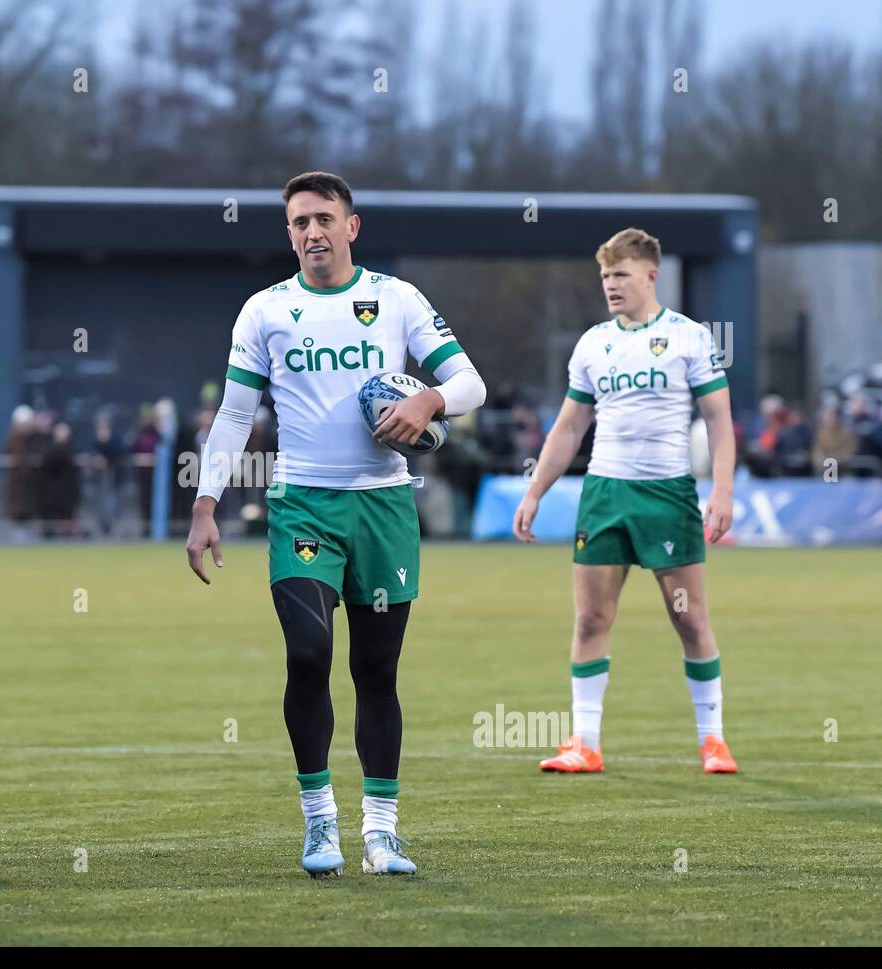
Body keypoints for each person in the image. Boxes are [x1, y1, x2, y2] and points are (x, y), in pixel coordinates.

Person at [185, 171, 487, 878]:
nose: (312, 232)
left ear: (352, 226)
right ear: (287, 233)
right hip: (303, 506)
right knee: (308, 654)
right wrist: (205, 504)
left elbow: (471, 382)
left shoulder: (396, 299)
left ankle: (382, 832)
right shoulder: (264, 310)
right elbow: (234, 414)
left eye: (324, 218)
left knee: (376, 670)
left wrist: (431, 402)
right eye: (299, 223)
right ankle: (319, 820)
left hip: (384, 507)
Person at [513, 228, 738, 775]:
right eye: (606, 276)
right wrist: (536, 490)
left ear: (651, 276)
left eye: (621, 274)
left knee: (689, 620)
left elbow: (719, 423)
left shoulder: (689, 338)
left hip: (667, 495)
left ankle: (714, 741)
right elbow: (568, 428)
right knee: (591, 617)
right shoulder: (593, 343)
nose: (611, 285)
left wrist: (723, 490)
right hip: (604, 494)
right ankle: (584, 744)